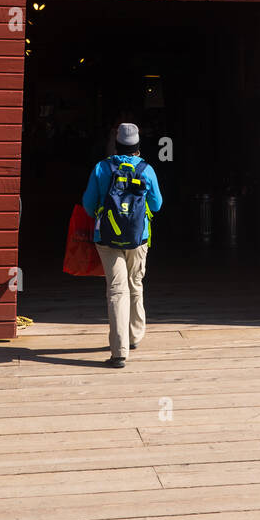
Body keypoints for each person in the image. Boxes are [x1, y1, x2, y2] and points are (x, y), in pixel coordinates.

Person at [82, 122, 163, 368]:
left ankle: (119, 351)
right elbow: (157, 204)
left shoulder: (101, 168)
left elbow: (88, 204)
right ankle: (135, 335)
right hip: (139, 237)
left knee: (117, 290)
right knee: (135, 283)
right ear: (138, 147)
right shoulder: (147, 170)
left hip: (106, 238)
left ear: (116, 144)